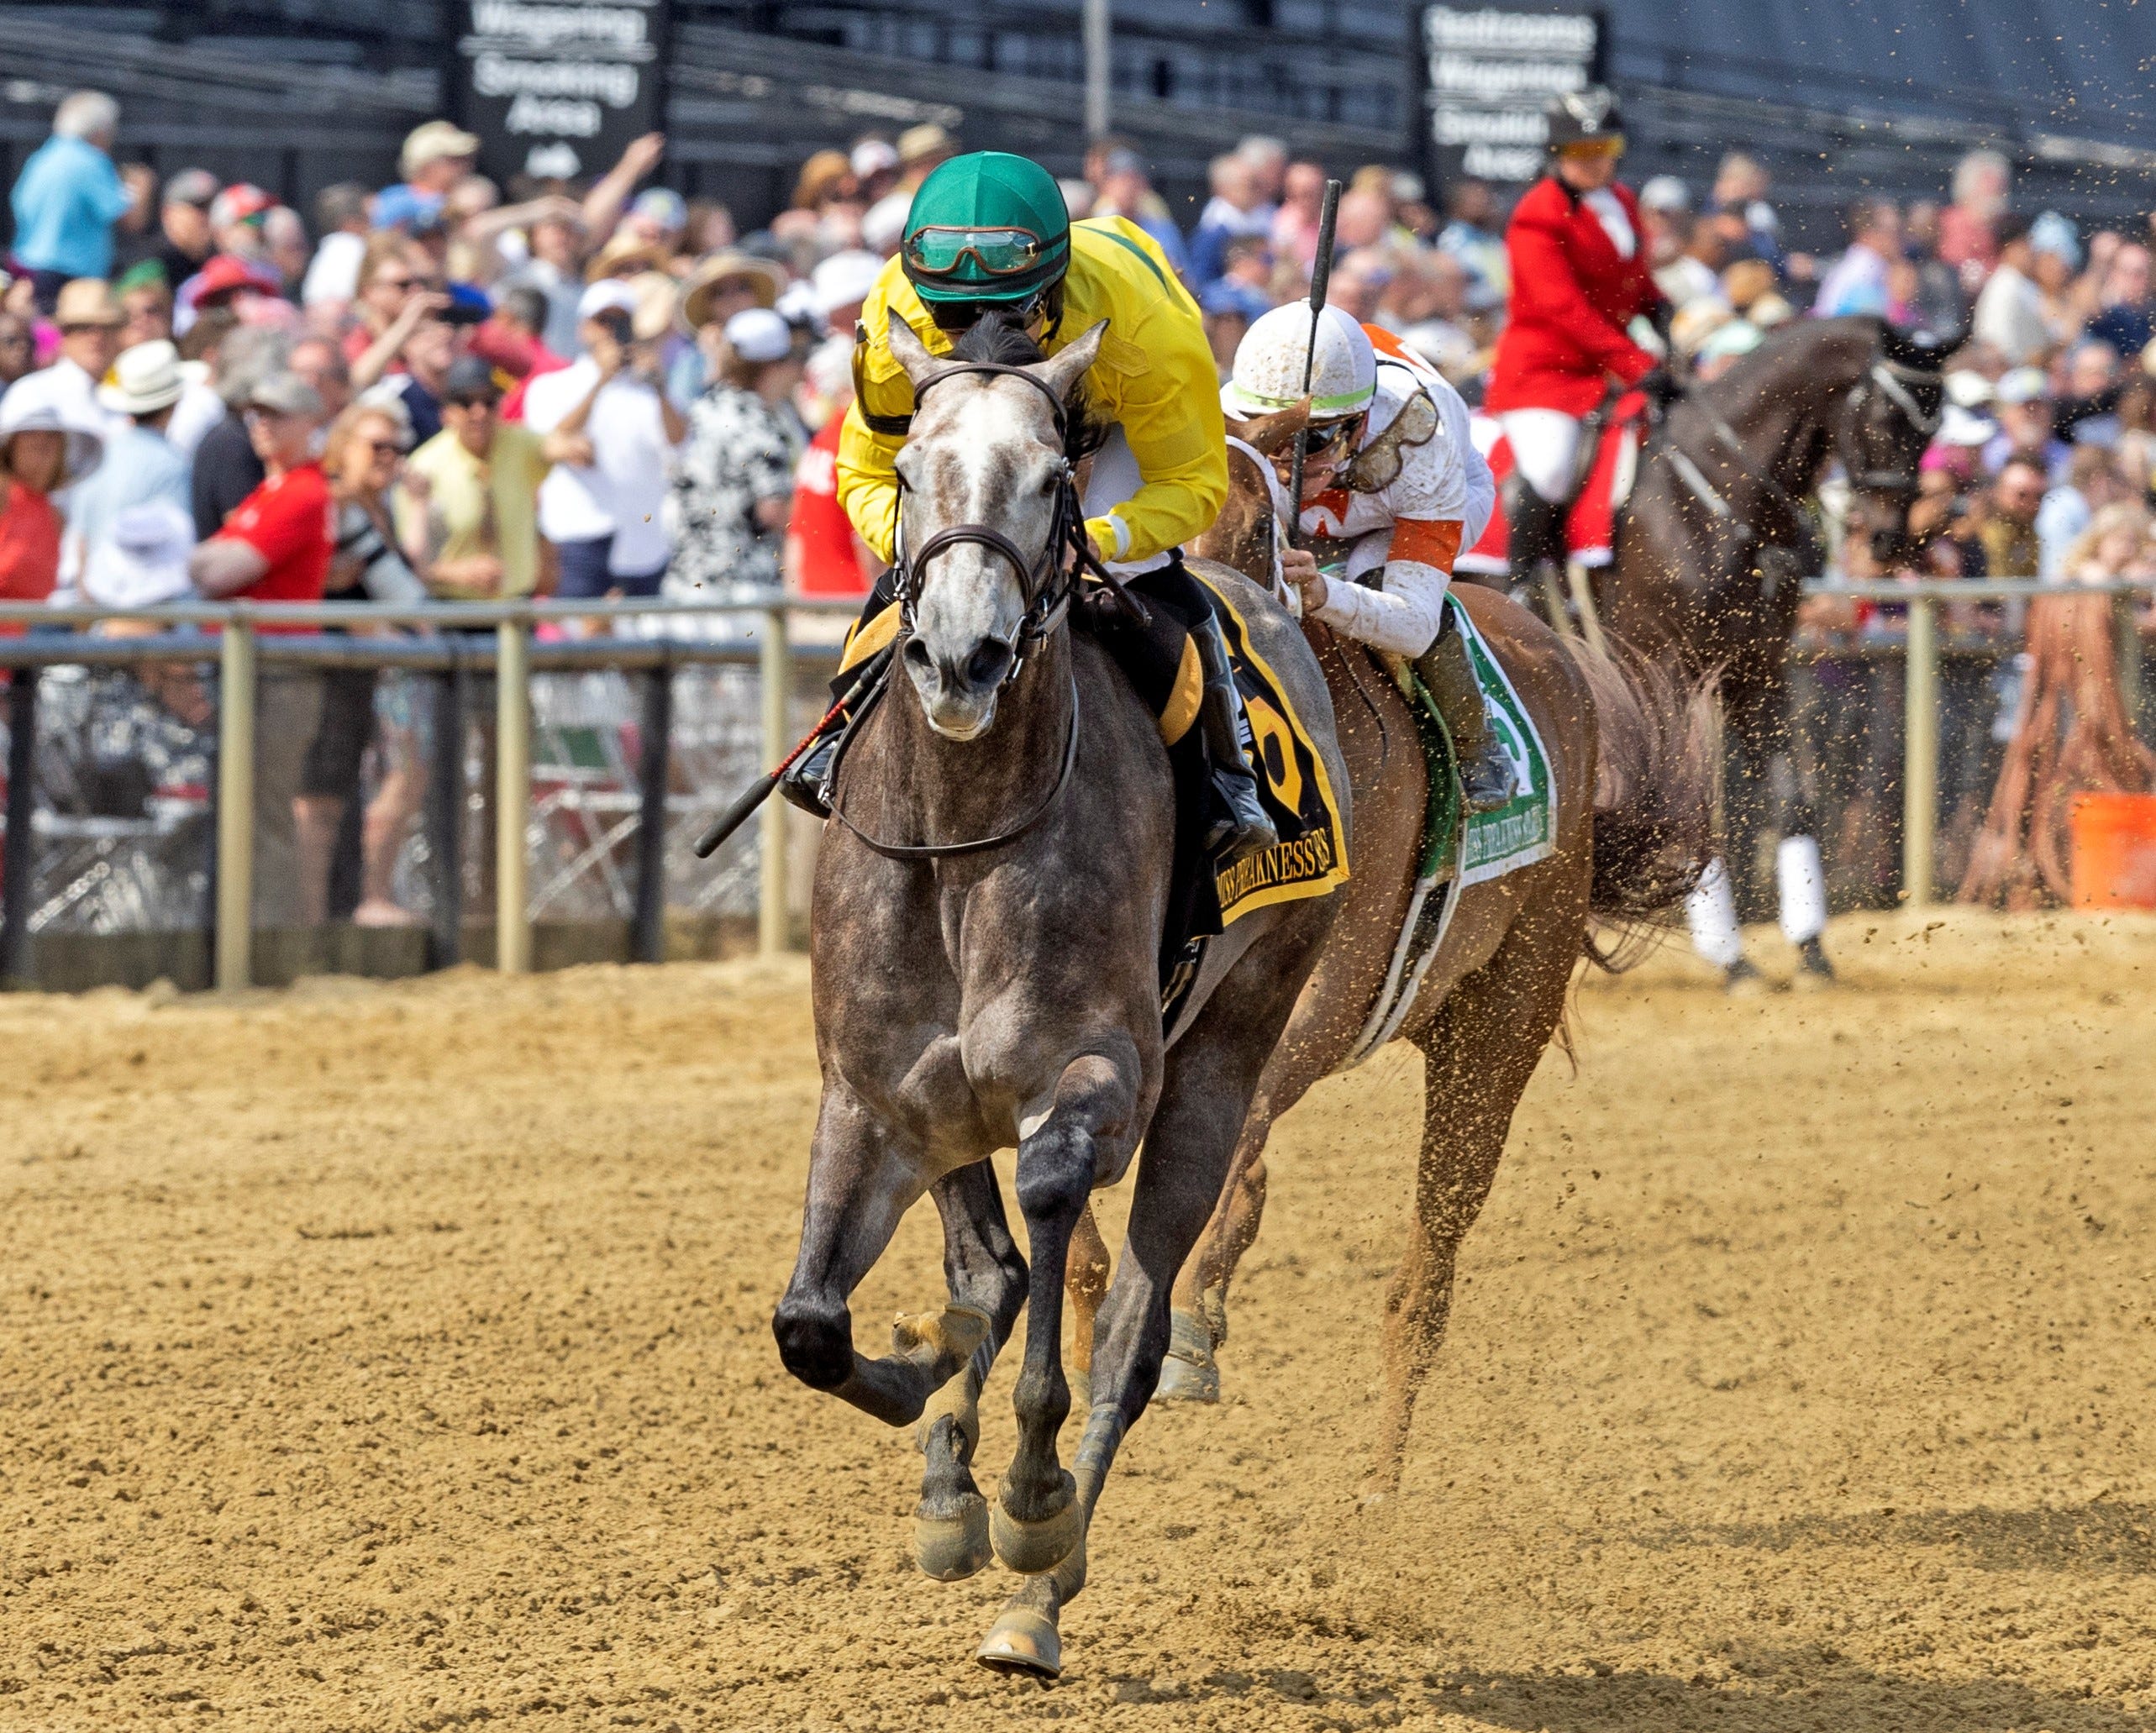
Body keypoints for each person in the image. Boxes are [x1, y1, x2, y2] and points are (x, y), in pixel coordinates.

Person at [820, 149, 1275, 860]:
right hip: (986, 421)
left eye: (1005, 309)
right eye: (949, 314)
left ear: (1050, 290)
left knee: (1138, 577)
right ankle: (834, 736)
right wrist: (926, 546)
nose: (975, 329)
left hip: (1114, 409)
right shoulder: (890, 324)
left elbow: (1192, 487)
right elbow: (868, 476)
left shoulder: (1146, 326)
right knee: (916, 576)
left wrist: (1094, 536)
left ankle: (1224, 775)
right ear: (918, 294)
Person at [1225, 303, 1512, 809]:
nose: (1289, 462)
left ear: (1358, 425)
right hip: (1334, 500)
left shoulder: (1425, 438)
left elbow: (1414, 623)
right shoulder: (1230, 415)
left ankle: (1475, 743)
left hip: (1417, 504)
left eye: (1311, 440)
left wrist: (1324, 592)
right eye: (1268, 434)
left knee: (1372, 579)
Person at [1483, 87, 1670, 587]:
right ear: (1557, 153)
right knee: (1550, 468)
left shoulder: (1623, 202)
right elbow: (1565, 309)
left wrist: (1658, 306)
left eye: (1604, 150)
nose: (1595, 163)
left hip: (1606, 367)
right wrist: (1637, 364)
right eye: (1581, 153)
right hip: (1545, 375)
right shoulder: (1536, 215)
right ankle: (1522, 583)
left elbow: (1630, 277)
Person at [186, 371, 335, 930]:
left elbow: (220, 570)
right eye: (257, 415)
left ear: (310, 423)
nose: (262, 425)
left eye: (276, 415)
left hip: (278, 673)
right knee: (245, 806)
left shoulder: (302, 491)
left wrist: (184, 560)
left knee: (264, 810)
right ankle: (244, 935)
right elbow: (212, 563)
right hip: (255, 670)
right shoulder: (271, 490)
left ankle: (269, 942)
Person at [321, 397, 430, 927]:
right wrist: (403, 643)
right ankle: (367, 895)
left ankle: (372, 893)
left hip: (385, 664)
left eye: (396, 447)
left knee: (408, 777)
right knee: (399, 777)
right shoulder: (341, 506)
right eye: (376, 446)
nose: (389, 456)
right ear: (345, 449)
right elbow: (348, 599)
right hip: (360, 667)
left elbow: (406, 582)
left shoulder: (377, 507)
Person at [522, 280, 685, 600]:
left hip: (643, 544)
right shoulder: (551, 386)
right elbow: (550, 442)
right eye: (603, 321)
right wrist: (601, 381)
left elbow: (678, 441)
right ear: (583, 328)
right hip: (577, 539)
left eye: (620, 321)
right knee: (578, 647)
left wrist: (660, 387)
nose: (611, 331)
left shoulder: (649, 390)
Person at [665, 306, 803, 605]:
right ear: (771, 367)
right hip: (744, 591)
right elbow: (774, 510)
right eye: (792, 359)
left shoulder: (702, 409)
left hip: (687, 585)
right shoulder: (760, 424)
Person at [398, 355, 551, 598]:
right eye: (466, 403)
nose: (479, 412)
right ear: (447, 412)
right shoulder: (425, 466)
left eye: (489, 402)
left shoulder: (520, 444)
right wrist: (455, 573)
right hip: (455, 613)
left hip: (516, 608)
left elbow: (563, 444)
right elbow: (406, 560)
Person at [68, 339, 192, 606]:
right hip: (149, 618)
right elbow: (172, 558)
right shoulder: (171, 464)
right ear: (175, 402)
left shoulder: (98, 457)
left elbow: (81, 546)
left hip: (97, 614)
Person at [7, 91, 146, 309]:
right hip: (69, 278)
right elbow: (131, 220)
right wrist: (142, 188)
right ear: (101, 131)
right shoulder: (91, 161)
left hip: (26, 270)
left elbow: (18, 205)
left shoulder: (41, 158)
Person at [0, 399, 99, 622]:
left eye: (51, 438)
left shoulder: (54, 513)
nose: (42, 445)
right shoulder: (4, 493)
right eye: (31, 435)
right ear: (12, 445)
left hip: (29, 639)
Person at [1972, 213, 2049, 366]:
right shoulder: (2004, 286)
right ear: (2011, 248)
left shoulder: (2021, 284)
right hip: (2010, 373)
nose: (2032, 252)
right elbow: (1997, 342)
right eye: (2026, 245)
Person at [1812, 200, 1901, 318]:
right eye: (1893, 232)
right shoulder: (1865, 267)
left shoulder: (1868, 264)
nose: (1899, 239)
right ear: (1868, 233)